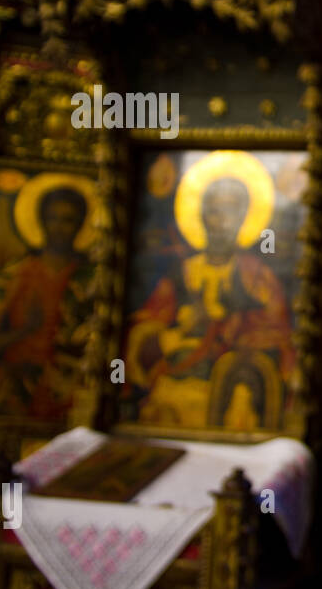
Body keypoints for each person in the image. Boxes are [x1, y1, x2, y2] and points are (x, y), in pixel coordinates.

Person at [125, 175, 296, 430]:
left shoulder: (258, 276)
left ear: (243, 218)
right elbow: (143, 331)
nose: (223, 222)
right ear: (202, 216)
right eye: (215, 212)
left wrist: (228, 322)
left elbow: (279, 334)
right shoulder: (181, 273)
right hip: (176, 383)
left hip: (234, 387)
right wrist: (177, 333)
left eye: (231, 212)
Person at [0, 186, 93, 419]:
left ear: (80, 224)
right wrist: (24, 331)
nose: (59, 228)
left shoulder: (92, 278)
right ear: (41, 221)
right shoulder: (16, 274)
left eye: (68, 220)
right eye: (52, 218)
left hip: (71, 388)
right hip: (16, 386)